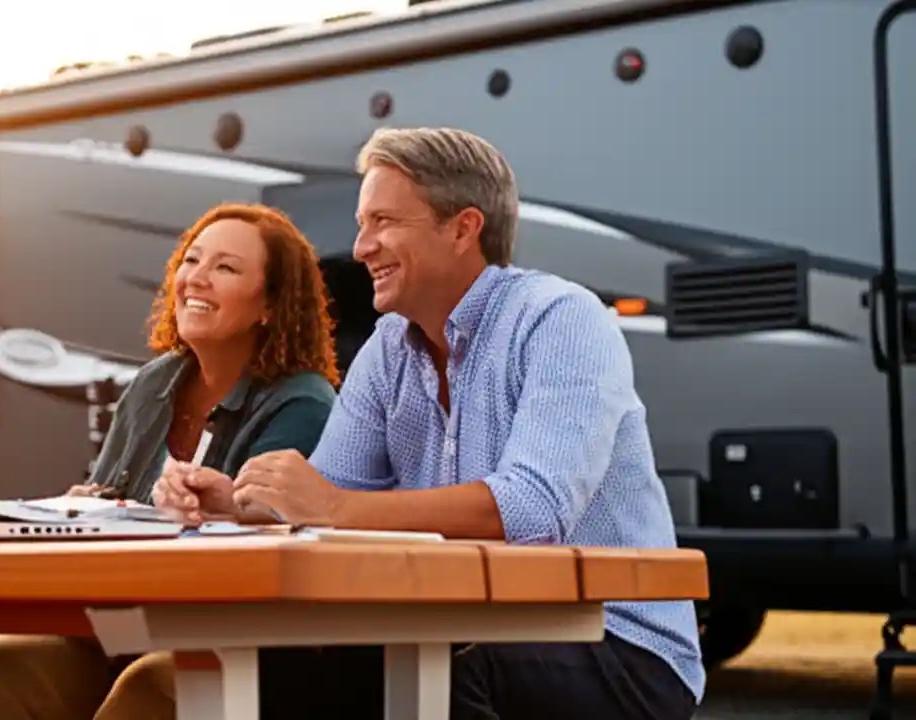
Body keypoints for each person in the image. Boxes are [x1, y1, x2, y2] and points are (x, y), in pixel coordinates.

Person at [157, 127, 705, 720]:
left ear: (463, 228)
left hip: (619, 644)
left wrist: (331, 508)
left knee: (439, 672)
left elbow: (531, 508)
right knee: (276, 669)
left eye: (384, 222)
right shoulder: (388, 346)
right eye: (363, 224)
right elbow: (329, 488)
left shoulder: (560, 319)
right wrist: (241, 503)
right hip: (456, 625)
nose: (361, 246)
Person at [0, 202, 342, 720]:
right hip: (132, 625)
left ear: (270, 304)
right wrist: (83, 511)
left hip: (250, 643)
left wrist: (222, 507)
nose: (196, 279)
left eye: (224, 268)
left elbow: (277, 548)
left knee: (154, 685)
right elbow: (107, 506)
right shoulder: (154, 383)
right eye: (191, 261)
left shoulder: (303, 402)